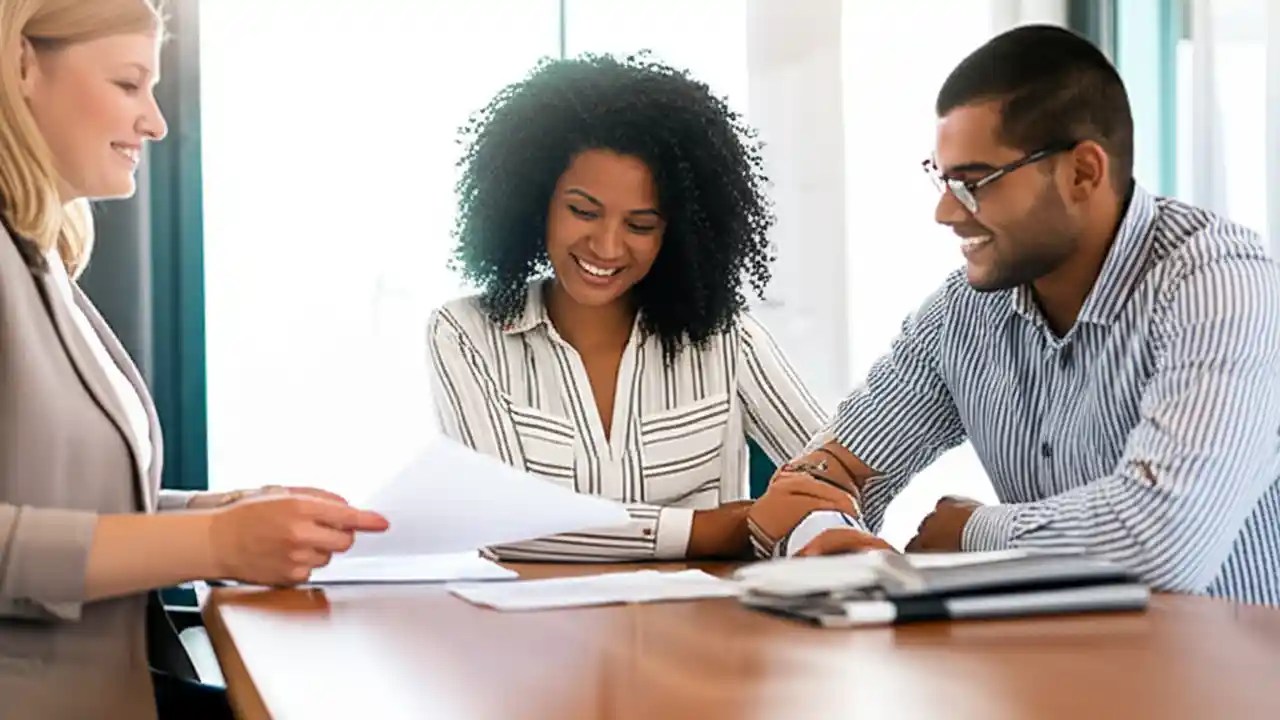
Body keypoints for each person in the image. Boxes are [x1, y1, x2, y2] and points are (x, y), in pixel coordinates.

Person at [748, 24, 1280, 606]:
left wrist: (973, 532)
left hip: (1226, 662)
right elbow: (824, 476)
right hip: (1051, 658)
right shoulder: (964, 311)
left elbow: (1165, 540)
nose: (945, 211)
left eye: (975, 183)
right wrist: (836, 540)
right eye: (942, 179)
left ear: (1083, 172)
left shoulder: (1219, 283)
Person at [0, 2, 389, 718]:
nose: (155, 122)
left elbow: (62, 505)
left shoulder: (40, 259)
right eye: (128, 84)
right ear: (22, 63)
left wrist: (220, 510)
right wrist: (212, 541)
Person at [428, 53, 831, 562]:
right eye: (582, 211)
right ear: (537, 201)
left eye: (640, 225)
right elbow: (499, 521)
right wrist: (721, 528)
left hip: (707, 614)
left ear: (675, 233)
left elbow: (836, 480)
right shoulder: (464, 334)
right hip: (533, 615)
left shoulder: (728, 340)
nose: (607, 247)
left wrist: (813, 523)